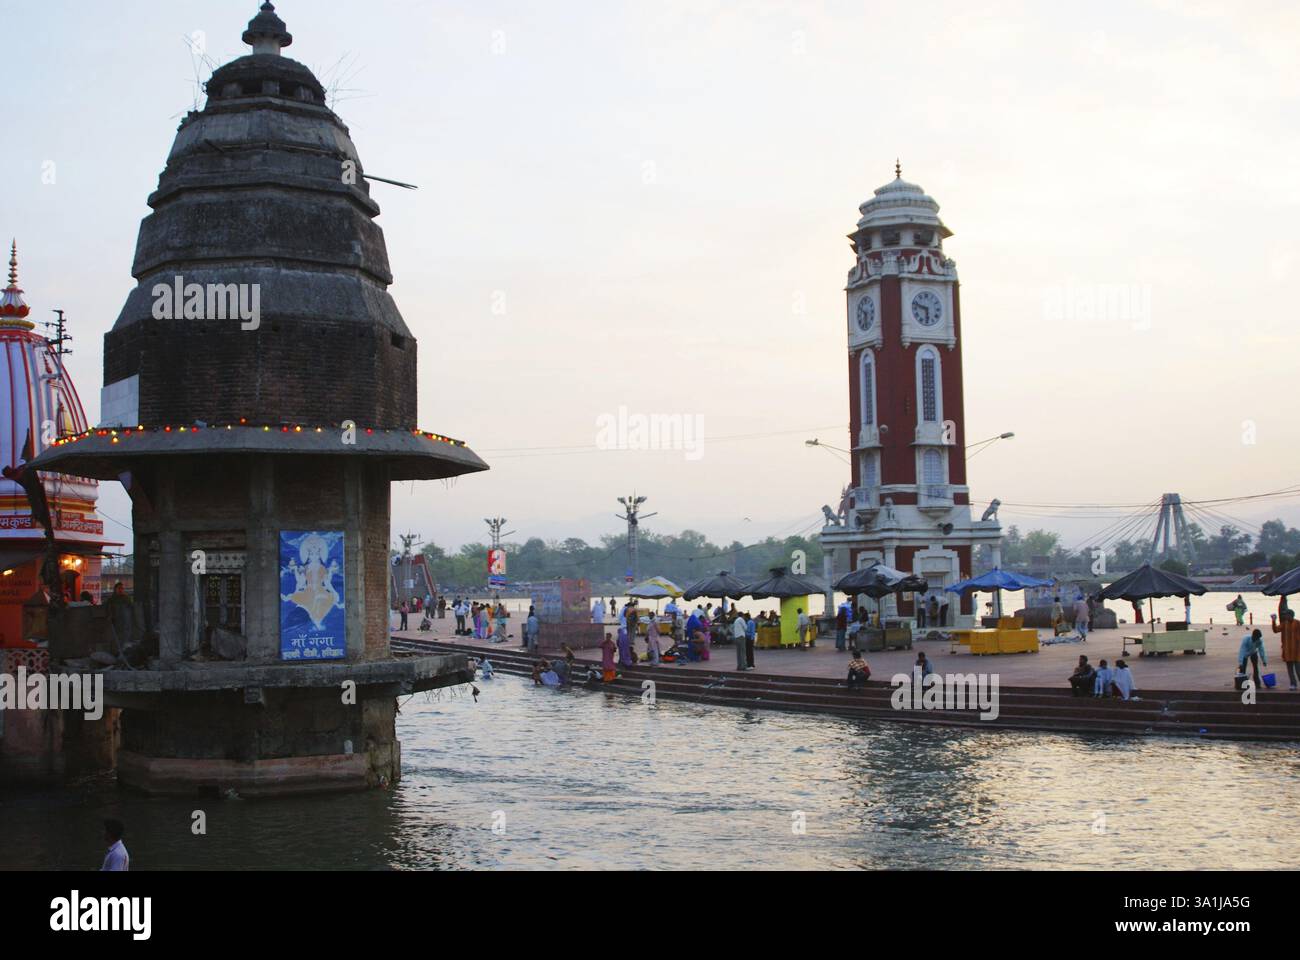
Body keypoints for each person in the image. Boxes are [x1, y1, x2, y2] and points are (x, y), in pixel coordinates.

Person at [1271, 609, 1300, 691]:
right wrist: (1274, 621)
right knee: (1290, 670)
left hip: (1297, 651)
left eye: (1286, 615)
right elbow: (1276, 630)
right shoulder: (1284, 624)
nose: (1284, 616)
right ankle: (1293, 684)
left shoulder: (1298, 623)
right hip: (1287, 651)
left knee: (1298, 670)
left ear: (1291, 615)